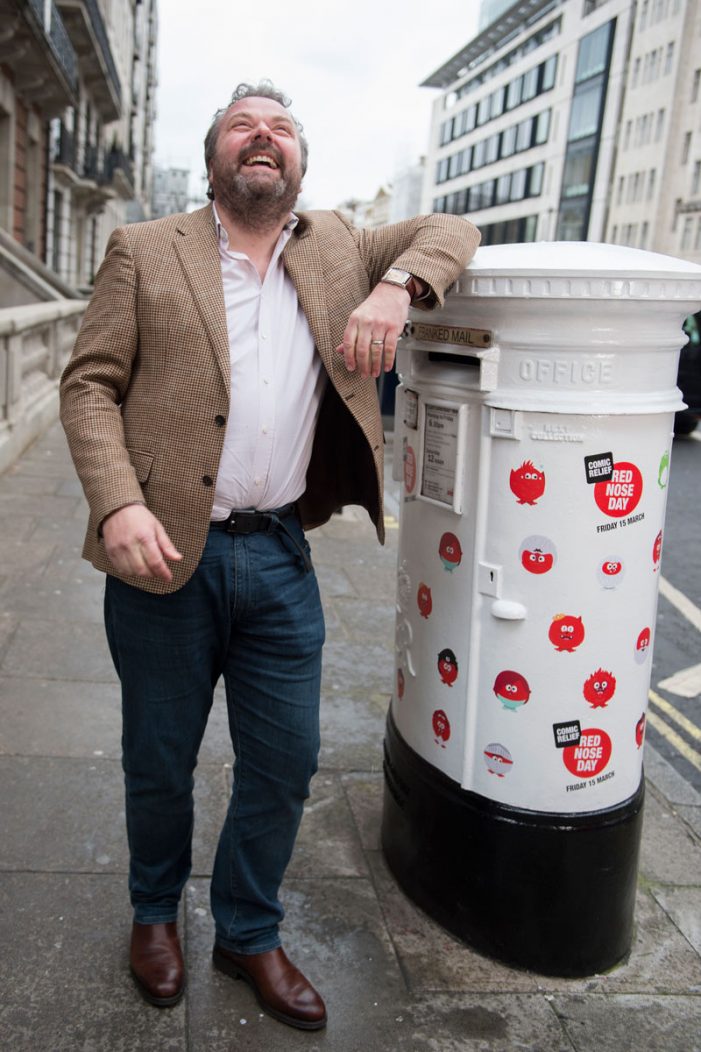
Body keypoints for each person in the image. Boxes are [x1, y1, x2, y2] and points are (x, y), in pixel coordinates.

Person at [60, 81, 480, 1030]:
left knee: (284, 762)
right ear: (215, 156)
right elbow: (88, 386)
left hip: (281, 556)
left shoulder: (337, 243)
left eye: (281, 128)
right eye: (243, 126)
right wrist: (117, 500)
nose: (264, 138)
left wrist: (394, 286)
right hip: (164, 556)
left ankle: (249, 929)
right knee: (159, 761)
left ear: (298, 161)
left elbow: (455, 228)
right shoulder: (144, 249)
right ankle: (154, 916)